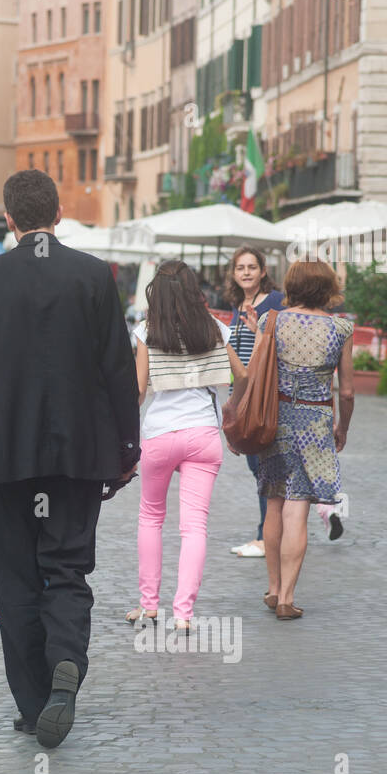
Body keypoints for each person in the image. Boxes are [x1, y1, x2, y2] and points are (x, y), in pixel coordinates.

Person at [0, 170, 139, 749]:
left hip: (9, 454)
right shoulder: (92, 274)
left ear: (8, 218)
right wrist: (127, 448)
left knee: (15, 577)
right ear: (59, 214)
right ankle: (67, 667)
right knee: (66, 567)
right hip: (79, 453)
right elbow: (117, 368)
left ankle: (34, 703)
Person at [128, 261, 247, 631]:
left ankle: (149, 607)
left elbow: (138, 390)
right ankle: (183, 615)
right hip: (203, 435)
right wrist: (230, 407)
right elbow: (241, 376)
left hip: (160, 434)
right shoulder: (214, 328)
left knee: (151, 517)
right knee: (194, 527)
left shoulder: (148, 331)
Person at [255, 259, 354, 620]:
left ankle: (273, 587)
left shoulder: (272, 320)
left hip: (277, 418)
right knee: (299, 506)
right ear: (327, 289)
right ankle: (288, 598)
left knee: (275, 500)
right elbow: (347, 392)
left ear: (292, 286)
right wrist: (343, 427)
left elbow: (254, 376)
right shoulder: (341, 328)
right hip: (316, 420)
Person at [224, 246, 286, 559]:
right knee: (256, 466)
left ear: (263, 271)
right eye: (240, 268)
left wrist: (257, 329)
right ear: (234, 274)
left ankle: (266, 536)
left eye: (252, 267)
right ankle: (272, 530)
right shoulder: (238, 303)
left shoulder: (274, 302)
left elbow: (282, 343)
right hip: (243, 393)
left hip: (264, 394)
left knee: (264, 466)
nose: (246, 272)